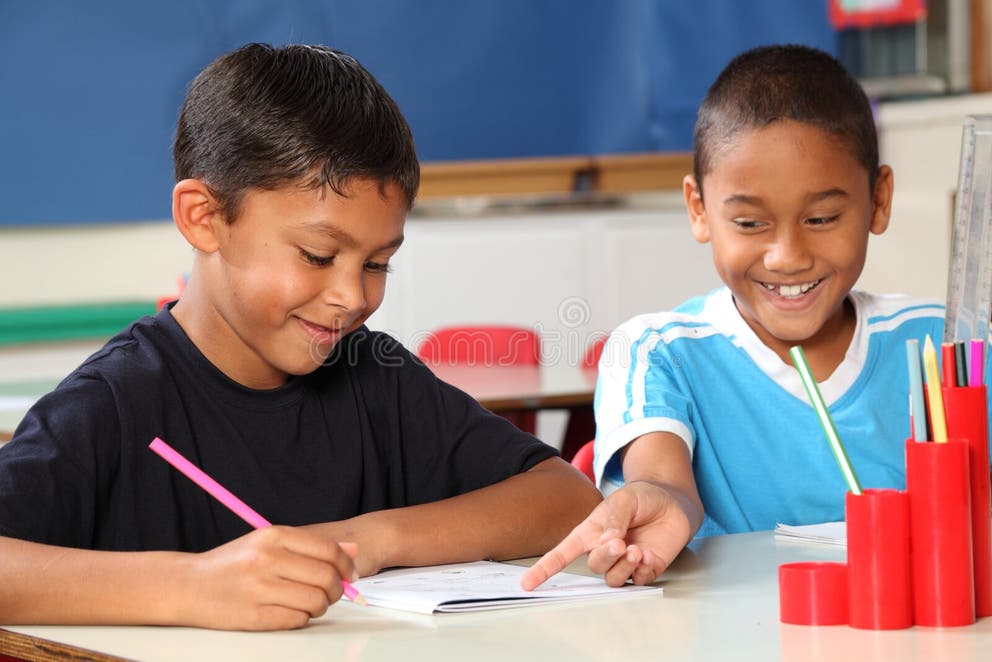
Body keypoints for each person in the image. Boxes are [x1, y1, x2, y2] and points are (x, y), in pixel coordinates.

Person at [0, 43, 602, 630]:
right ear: (204, 218)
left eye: (377, 263)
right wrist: (191, 586)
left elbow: (569, 499)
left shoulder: (375, 377)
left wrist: (363, 540)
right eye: (317, 255)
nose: (353, 296)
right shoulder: (114, 402)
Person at [522, 43, 952, 591]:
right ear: (699, 209)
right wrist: (660, 499)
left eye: (822, 217)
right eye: (750, 224)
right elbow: (662, 479)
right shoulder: (657, 352)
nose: (787, 255)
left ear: (879, 200)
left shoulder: (948, 345)